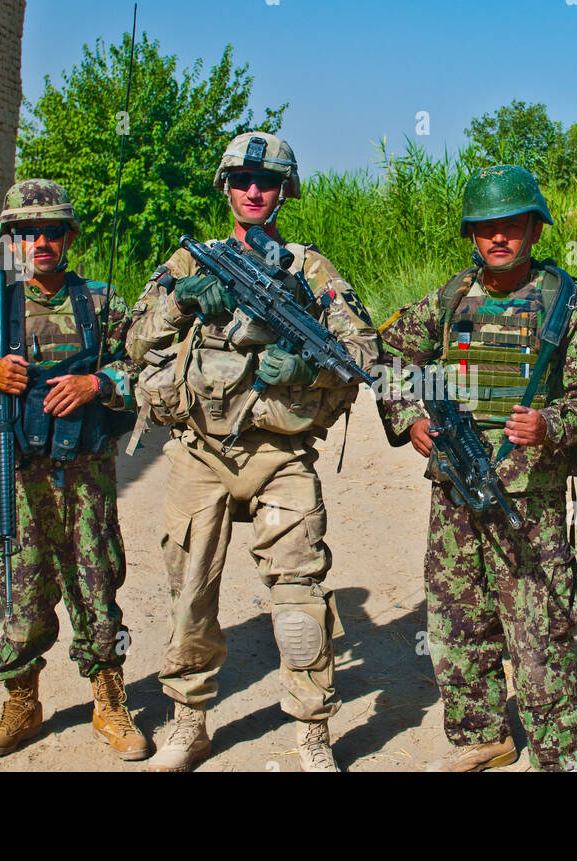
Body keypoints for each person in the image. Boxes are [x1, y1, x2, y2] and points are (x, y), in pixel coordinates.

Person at [126, 132, 378, 772]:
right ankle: (189, 722)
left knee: (298, 597)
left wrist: (306, 368)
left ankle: (312, 731)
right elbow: (135, 344)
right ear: (227, 188)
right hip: (199, 450)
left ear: (285, 191)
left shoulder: (311, 270)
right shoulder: (191, 262)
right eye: (242, 180)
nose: (254, 192)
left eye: (267, 182)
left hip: (279, 452)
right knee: (190, 595)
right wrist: (181, 302)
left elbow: (362, 354)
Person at [377, 165, 577, 771]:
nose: (498, 238)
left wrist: (549, 424)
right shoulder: (452, 297)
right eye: (485, 228)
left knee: (539, 631)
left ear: (535, 229)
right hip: (456, 484)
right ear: (471, 235)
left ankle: (559, 755)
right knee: (457, 619)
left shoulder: (565, 301)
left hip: (528, 494)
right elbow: (388, 354)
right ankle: (482, 735)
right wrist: (410, 418)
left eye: (511, 225)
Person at [0, 179, 147, 761]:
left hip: (88, 482)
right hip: (22, 484)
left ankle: (109, 701)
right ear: (12, 242)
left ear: (69, 238)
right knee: (22, 598)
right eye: (28, 233)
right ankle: (22, 702)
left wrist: (98, 382)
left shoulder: (103, 305)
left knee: (97, 592)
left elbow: (149, 372)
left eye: (53, 231)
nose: (41, 242)